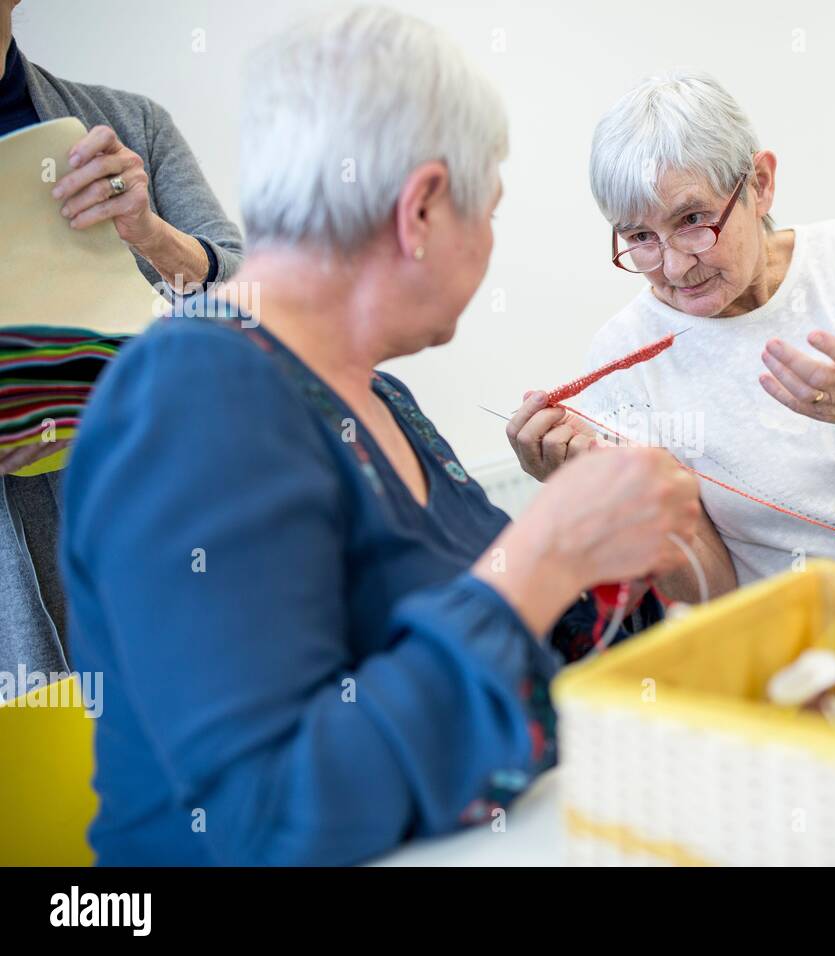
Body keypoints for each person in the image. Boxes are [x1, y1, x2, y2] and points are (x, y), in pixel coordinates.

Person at [60, 6, 700, 866]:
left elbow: (501, 647)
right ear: (422, 210)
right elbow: (268, 818)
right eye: (491, 212)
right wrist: (546, 558)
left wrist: (603, 557)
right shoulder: (193, 396)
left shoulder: (379, 397)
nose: (489, 247)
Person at [508, 71, 835, 586]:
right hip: (799, 639)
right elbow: (715, 592)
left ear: (760, 185)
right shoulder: (623, 352)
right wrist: (608, 502)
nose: (673, 268)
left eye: (692, 219)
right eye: (641, 236)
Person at [0, 0, 243, 685]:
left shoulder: (128, 126)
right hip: (18, 592)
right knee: (46, 784)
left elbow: (247, 317)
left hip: (165, 528)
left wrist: (151, 234)